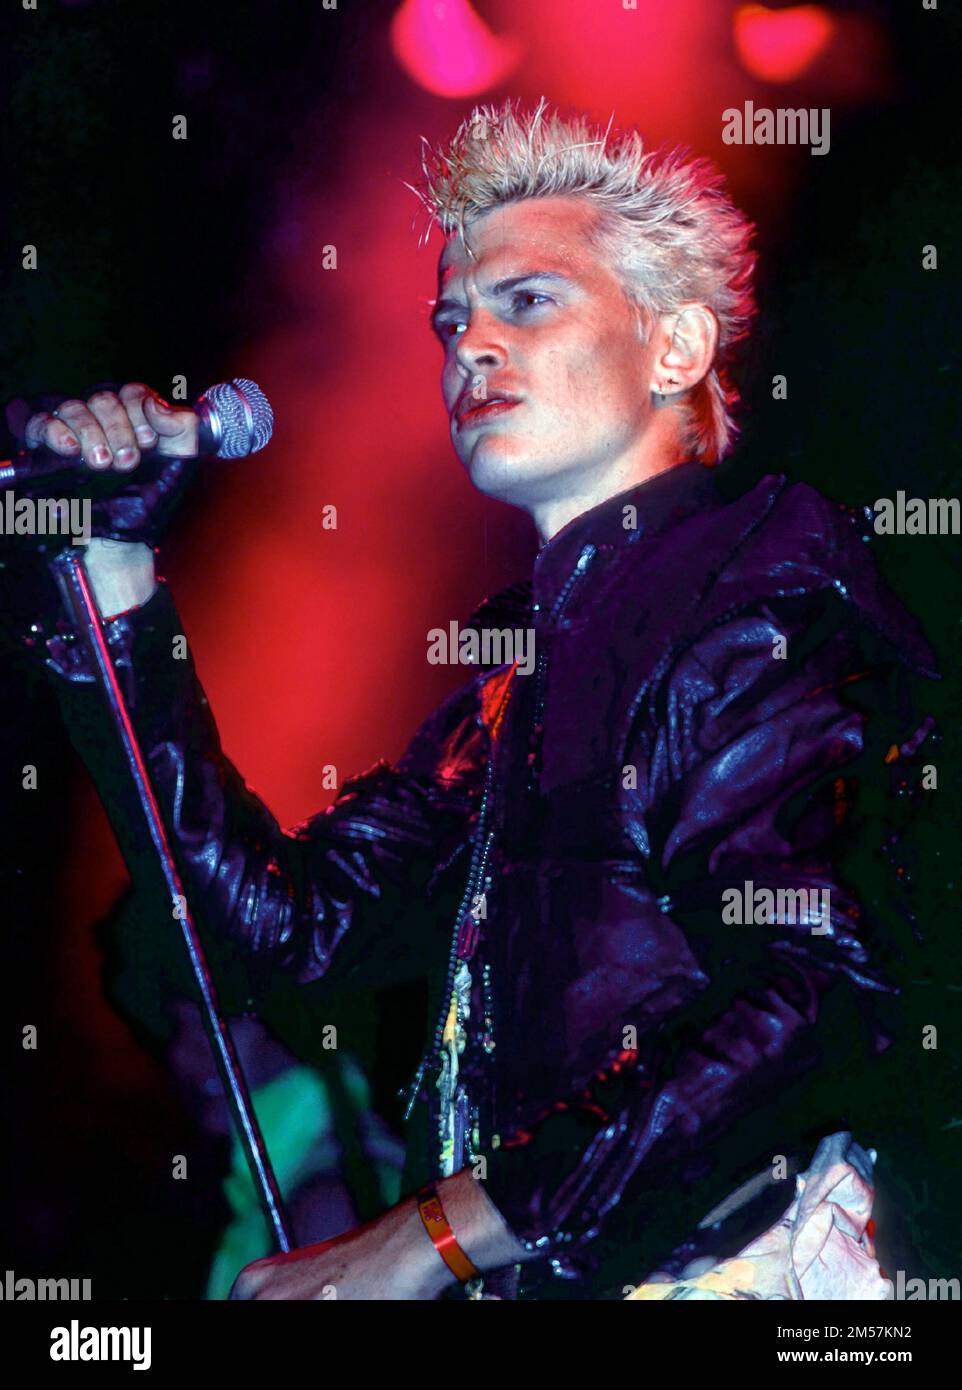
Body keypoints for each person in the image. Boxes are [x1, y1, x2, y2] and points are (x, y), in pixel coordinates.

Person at [17, 100, 937, 1299]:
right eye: (451, 319)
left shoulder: (762, 601)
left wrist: (428, 1235)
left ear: (675, 350)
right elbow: (281, 933)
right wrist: (116, 588)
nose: (467, 348)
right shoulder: (518, 684)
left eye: (527, 302)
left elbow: (810, 986)